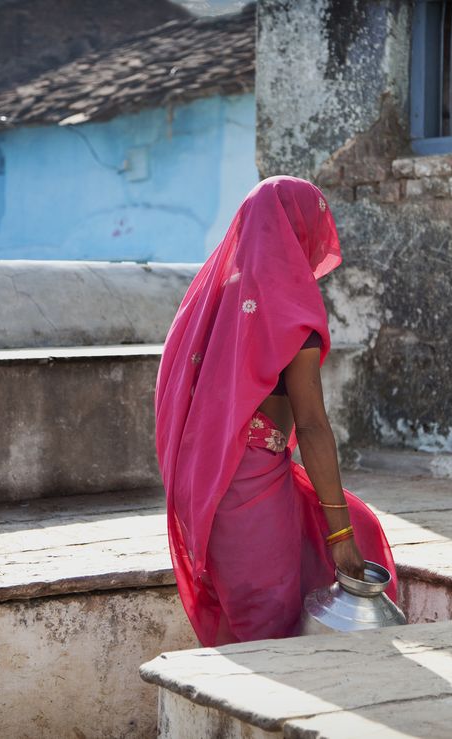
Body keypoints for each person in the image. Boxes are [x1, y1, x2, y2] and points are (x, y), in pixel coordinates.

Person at [154, 175, 398, 647]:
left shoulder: (212, 300)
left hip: (205, 488)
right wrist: (340, 535)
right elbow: (310, 424)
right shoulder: (291, 312)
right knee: (269, 636)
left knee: (246, 624)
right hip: (251, 493)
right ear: (299, 233)